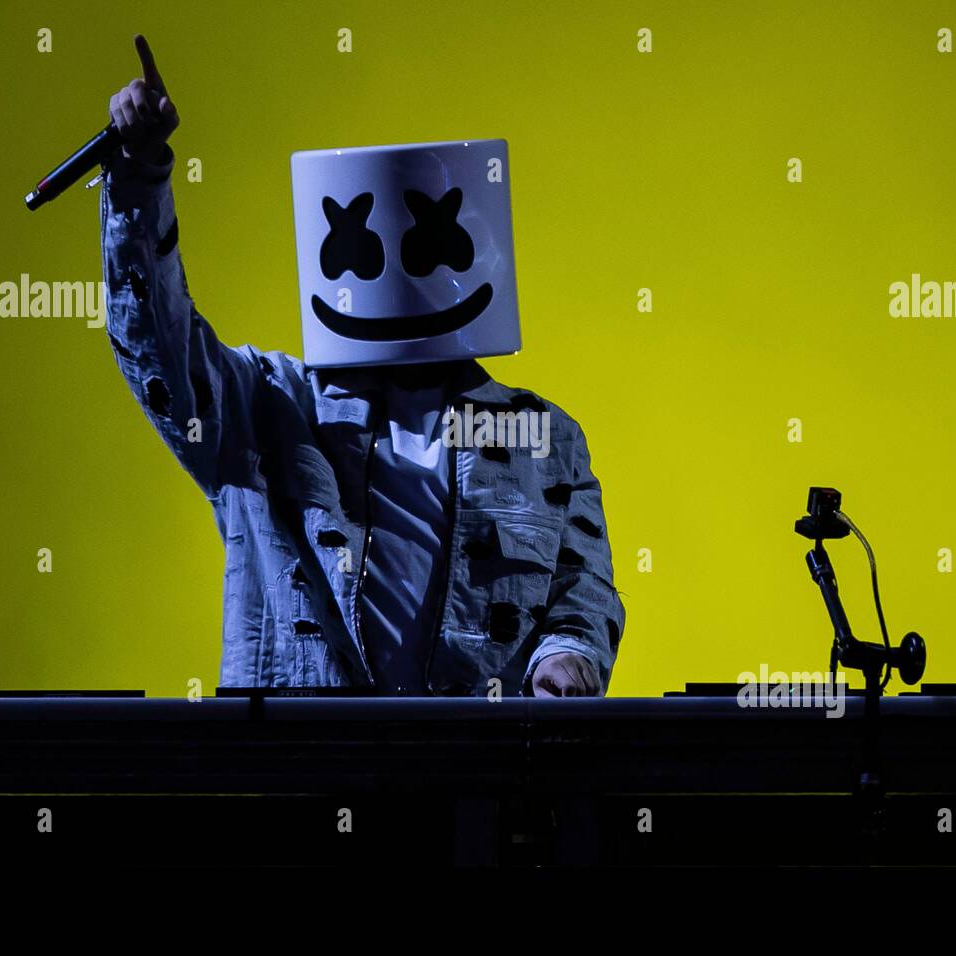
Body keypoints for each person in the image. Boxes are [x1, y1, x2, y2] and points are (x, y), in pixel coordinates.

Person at [100, 36, 623, 697]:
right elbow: (158, 347)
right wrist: (139, 180)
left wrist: (567, 659)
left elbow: (583, 591)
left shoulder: (545, 437)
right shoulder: (268, 407)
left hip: (476, 784)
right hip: (309, 773)